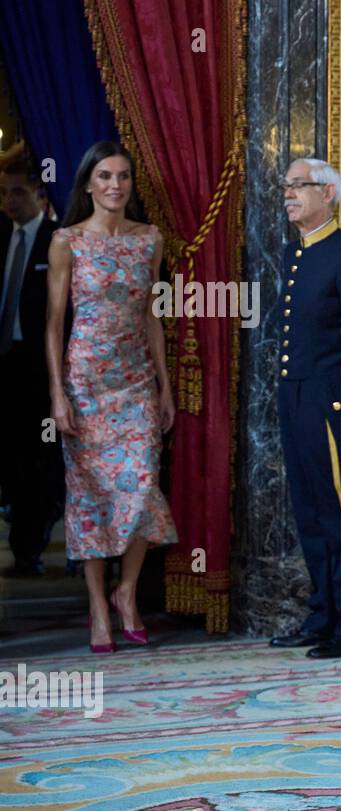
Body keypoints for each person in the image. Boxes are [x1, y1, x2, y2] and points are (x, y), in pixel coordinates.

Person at [45, 142, 178, 652]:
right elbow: (54, 326)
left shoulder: (150, 240)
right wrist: (58, 393)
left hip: (136, 383)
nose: (115, 186)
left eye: (123, 176)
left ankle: (127, 592)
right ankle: (99, 605)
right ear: (87, 184)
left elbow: (152, 316)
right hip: (85, 385)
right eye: (104, 177)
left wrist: (164, 385)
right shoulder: (67, 242)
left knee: (142, 486)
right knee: (91, 498)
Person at [266, 158, 341, 659]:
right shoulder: (298, 256)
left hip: (335, 400)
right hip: (296, 396)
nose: (290, 193)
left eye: (301, 185)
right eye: (287, 186)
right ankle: (323, 615)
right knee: (311, 509)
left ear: (330, 194)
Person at [0, 161, 64, 578]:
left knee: (37, 457)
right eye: (4, 192)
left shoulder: (54, 242)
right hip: (2, 364)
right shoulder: (0, 236)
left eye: (17, 192)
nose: (9, 201)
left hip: (37, 368)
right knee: (9, 454)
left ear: (39, 195)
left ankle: (29, 546)